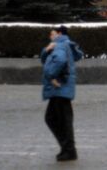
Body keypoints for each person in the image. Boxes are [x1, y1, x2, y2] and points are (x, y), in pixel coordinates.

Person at [41, 26, 82, 162]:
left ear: (59, 34)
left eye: (52, 34)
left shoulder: (59, 45)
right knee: (58, 119)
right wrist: (46, 50)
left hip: (59, 88)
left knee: (57, 119)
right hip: (61, 89)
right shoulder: (64, 45)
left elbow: (59, 61)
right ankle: (67, 149)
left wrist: (51, 75)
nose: (50, 37)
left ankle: (69, 150)